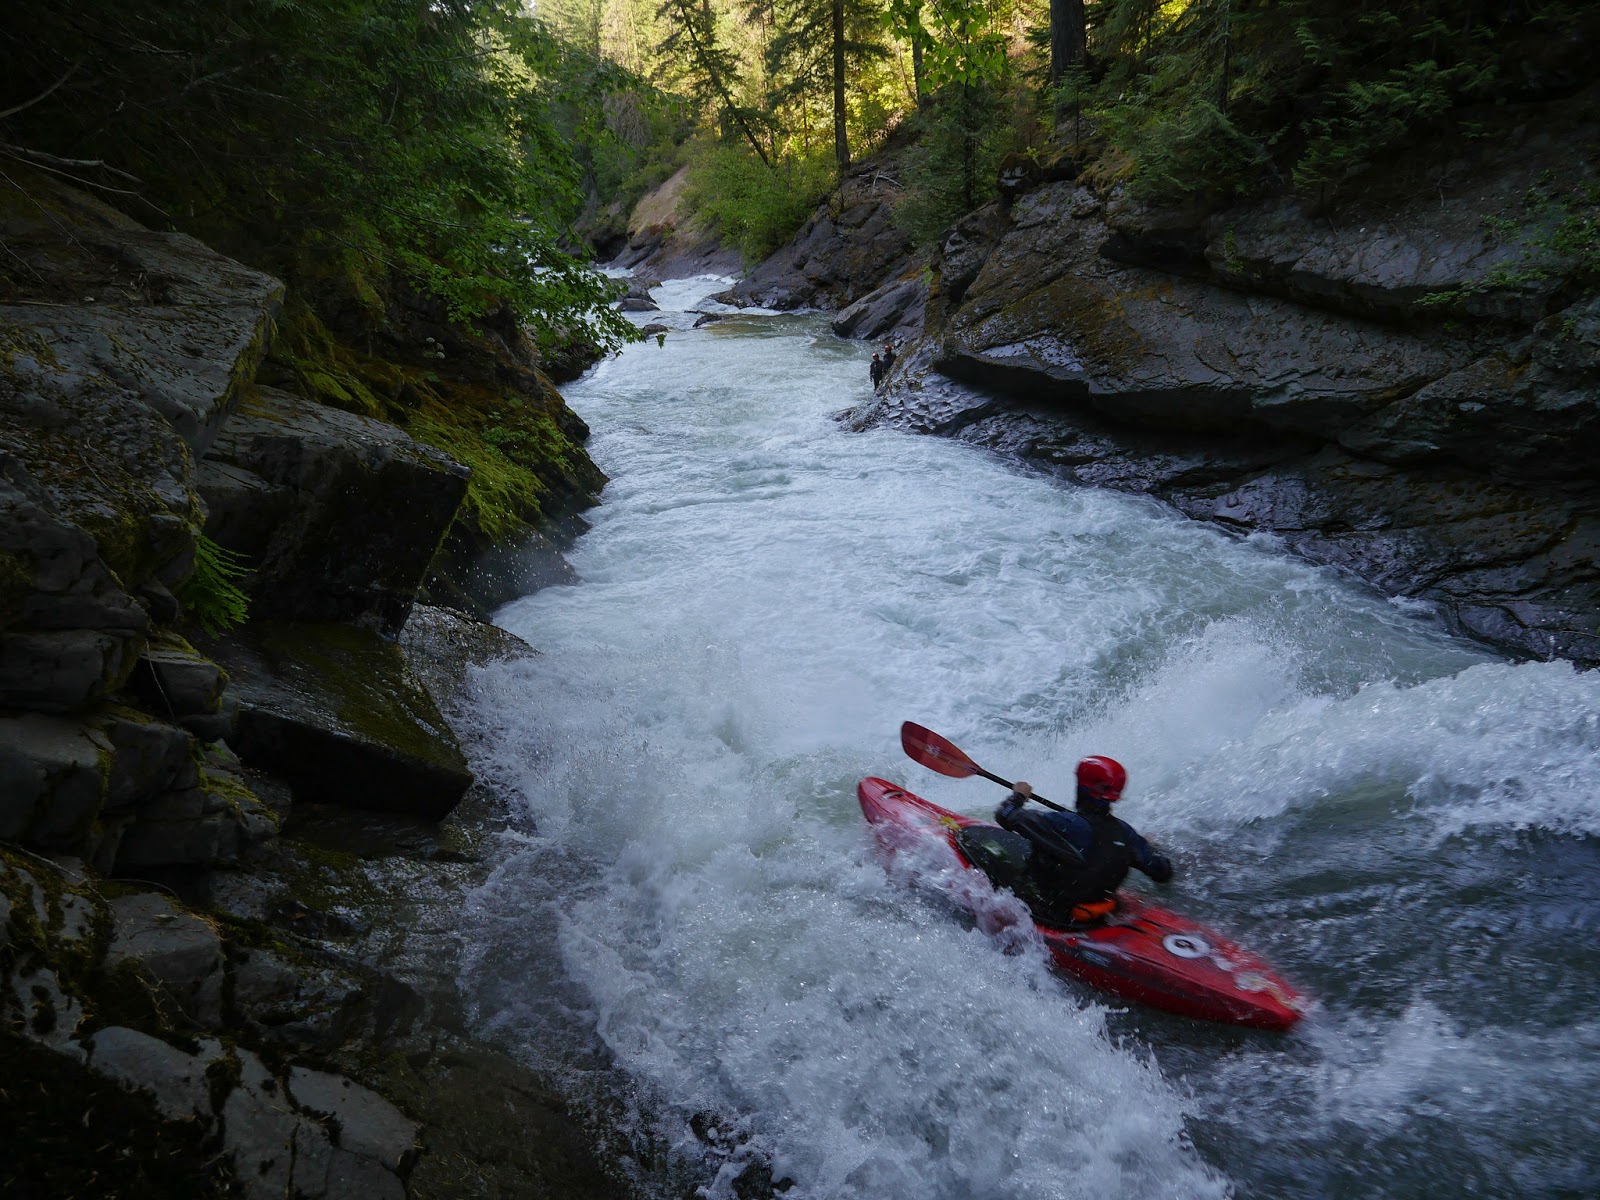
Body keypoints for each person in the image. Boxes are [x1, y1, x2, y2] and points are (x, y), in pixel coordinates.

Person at [994, 755, 1173, 925]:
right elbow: (1163, 872)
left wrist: (1019, 795)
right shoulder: (1126, 834)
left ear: (1082, 788)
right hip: (1099, 914)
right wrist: (1149, 847)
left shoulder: (1063, 824)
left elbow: (1005, 814)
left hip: (1052, 913)